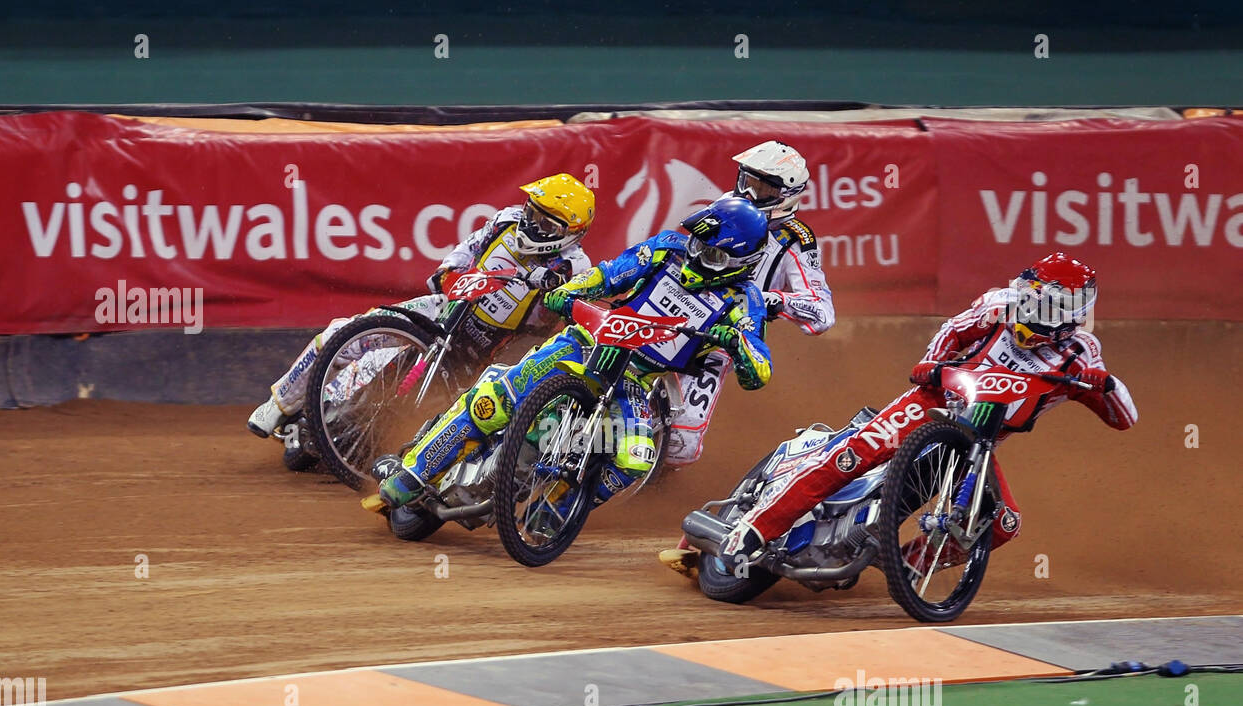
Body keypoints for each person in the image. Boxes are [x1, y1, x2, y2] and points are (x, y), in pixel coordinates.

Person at [713, 251, 1138, 573]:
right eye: (1028, 299)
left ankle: (905, 568)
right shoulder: (998, 304)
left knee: (1003, 524)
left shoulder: (1081, 354)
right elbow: (953, 329)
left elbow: (1124, 419)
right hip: (935, 404)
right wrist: (932, 364)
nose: (1026, 311)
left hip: (978, 443)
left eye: (1042, 308)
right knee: (853, 455)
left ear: (1071, 318)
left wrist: (1108, 387)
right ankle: (752, 532)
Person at [366, 195, 774, 515]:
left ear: (743, 261)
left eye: (714, 253)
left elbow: (760, 370)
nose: (699, 255)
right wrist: (572, 291)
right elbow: (610, 274)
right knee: (499, 396)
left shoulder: (746, 301)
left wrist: (738, 342)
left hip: (637, 381)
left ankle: (557, 507)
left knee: (634, 458)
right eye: (699, 242)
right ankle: (413, 474)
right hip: (589, 342)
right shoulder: (668, 248)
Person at [246, 173, 596, 441]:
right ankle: (278, 405)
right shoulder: (505, 220)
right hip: (444, 310)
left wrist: (553, 299)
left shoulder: (575, 267)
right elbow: (464, 251)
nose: (531, 223)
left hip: (485, 355)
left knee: (460, 420)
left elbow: (561, 323)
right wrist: (448, 275)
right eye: (532, 212)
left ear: (570, 233)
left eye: (545, 223)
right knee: (344, 330)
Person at [667, 140, 836, 466]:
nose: (751, 196)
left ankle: (652, 482)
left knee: (680, 446)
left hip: (720, 337)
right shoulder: (725, 206)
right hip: (676, 308)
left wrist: (771, 300)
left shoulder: (796, 240)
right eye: (748, 182)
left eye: (764, 190)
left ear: (789, 194)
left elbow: (823, 314)